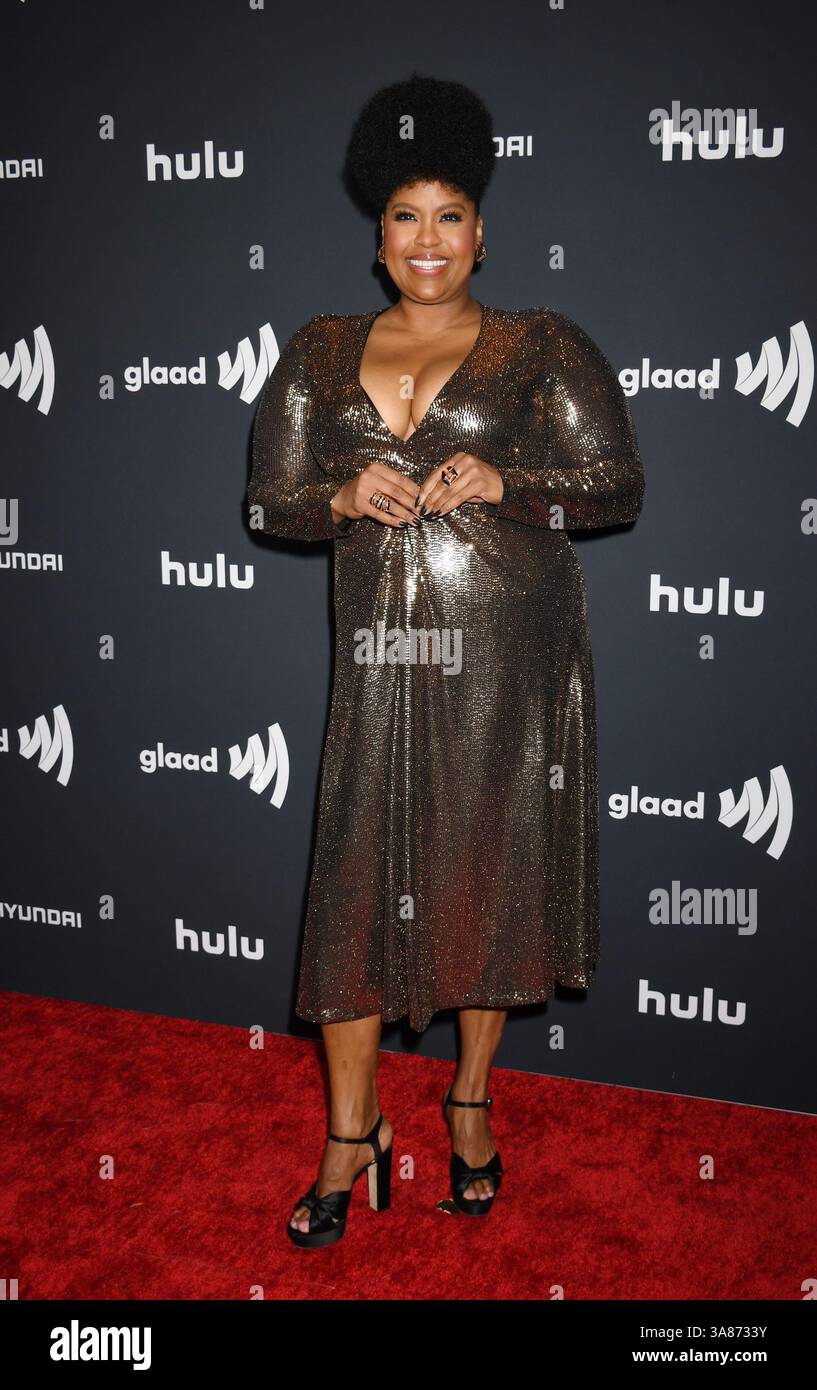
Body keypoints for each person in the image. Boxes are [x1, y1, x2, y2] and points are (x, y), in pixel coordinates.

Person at [247, 73, 645, 1248]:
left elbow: (616, 485)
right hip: (380, 656)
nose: (428, 238)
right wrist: (336, 493)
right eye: (405, 217)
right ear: (378, 238)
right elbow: (268, 503)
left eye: (450, 216)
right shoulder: (319, 350)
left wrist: (506, 481)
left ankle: (469, 1102)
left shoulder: (541, 343)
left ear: (483, 232)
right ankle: (351, 1133)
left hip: (507, 652)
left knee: (486, 873)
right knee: (352, 889)